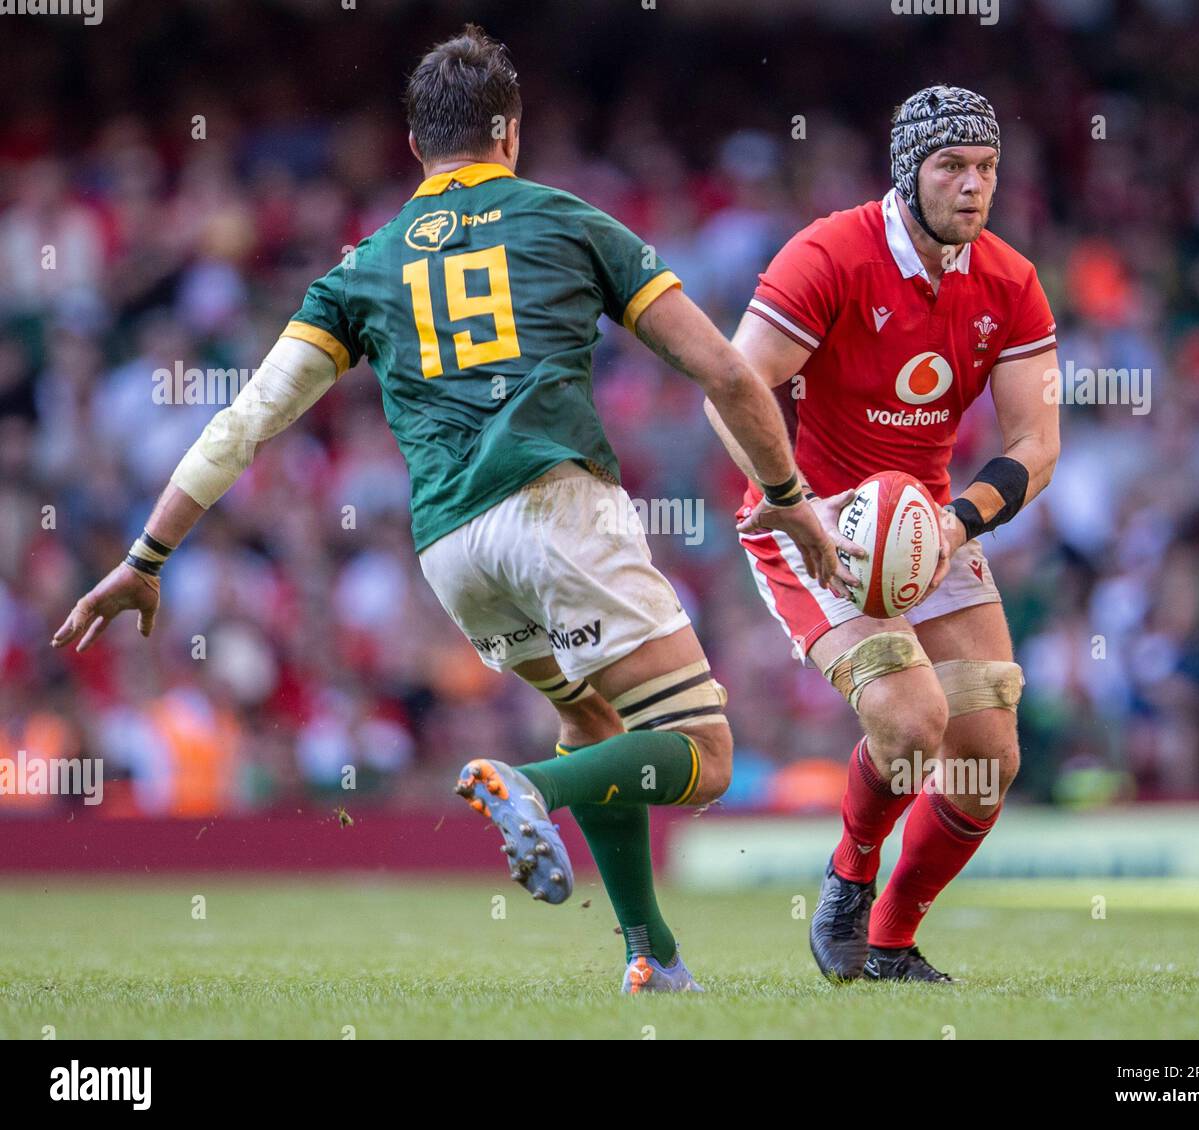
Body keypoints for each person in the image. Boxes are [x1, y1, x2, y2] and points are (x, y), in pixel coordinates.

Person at [51, 25, 843, 995]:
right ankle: (531, 790)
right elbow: (722, 367)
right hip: (556, 506)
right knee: (705, 752)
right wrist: (791, 497)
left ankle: (652, 954)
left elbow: (245, 423)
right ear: (508, 131)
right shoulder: (565, 218)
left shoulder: (363, 266)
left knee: (595, 717)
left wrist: (146, 554)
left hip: (452, 550)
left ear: (415, 141)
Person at [706, 85, 1060, 982]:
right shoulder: (828, 253)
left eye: (985, 168)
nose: (972, 187)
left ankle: (893, 944)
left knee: (988, 758)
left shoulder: (1011, 281)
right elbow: (732, 386)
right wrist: (789, 497)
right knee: (912, 720)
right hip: (811, 518)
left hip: (925, 523)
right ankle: (848, 881)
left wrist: (957, 520)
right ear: (908, 173)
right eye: (950, 167)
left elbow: (1037, 442)